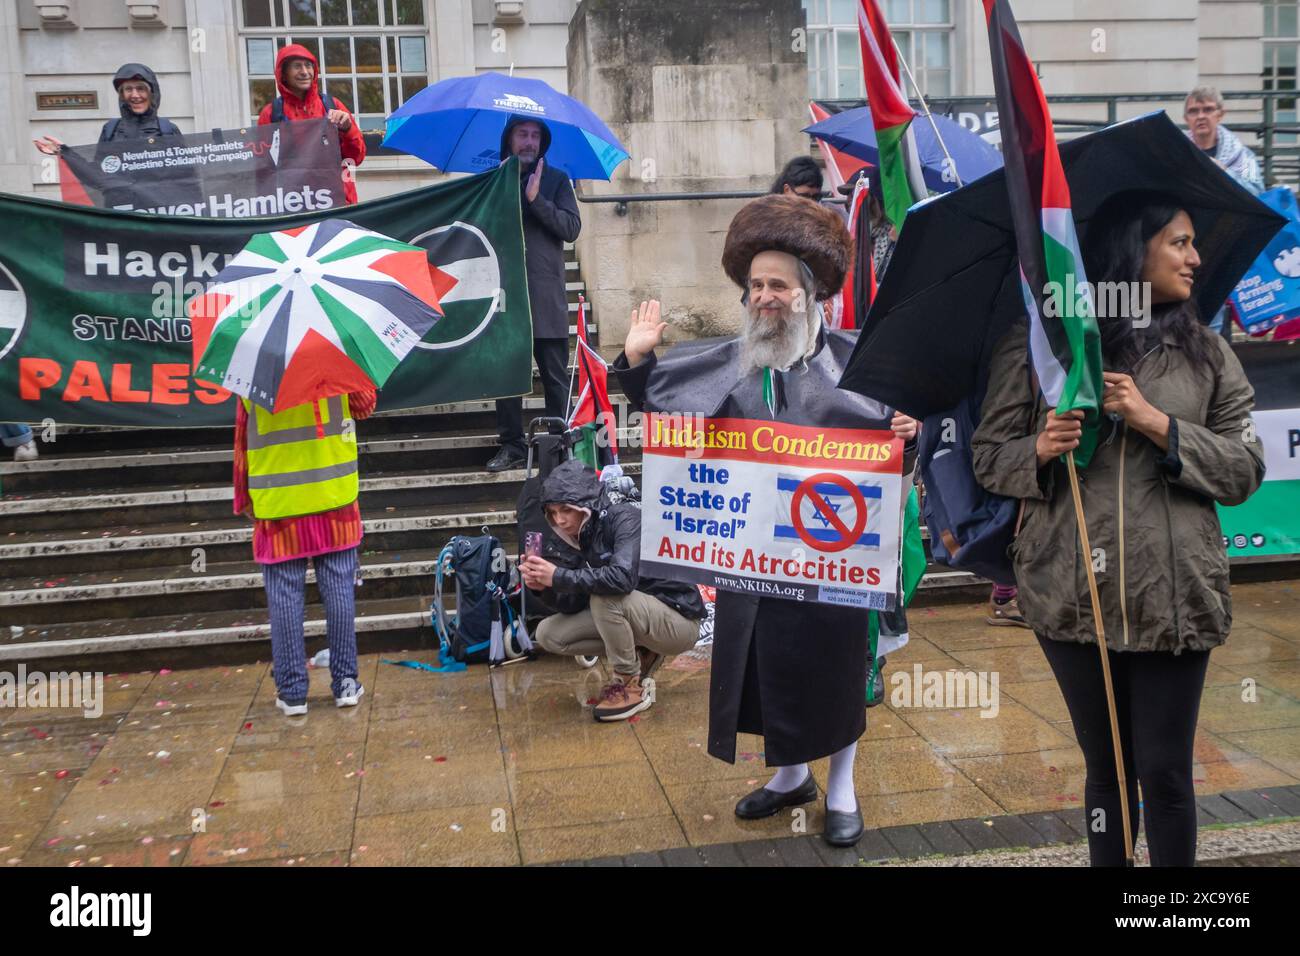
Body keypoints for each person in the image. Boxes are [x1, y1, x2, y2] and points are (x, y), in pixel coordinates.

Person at [971, 192, 1266, 866]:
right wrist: (1041, 448)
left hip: (1176, 596)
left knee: (1164, 772)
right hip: (1072, 596)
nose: (1195, 258)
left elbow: (1246, 469)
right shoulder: (1040, 344)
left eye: (1194, 244)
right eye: (1180, 243)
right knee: (1105, 772)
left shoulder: (1209, 354)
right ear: (1134, 252)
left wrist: (1157, 423)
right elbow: (989, 457)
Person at [613, 194, 917, 846]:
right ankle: (787, 779)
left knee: (834, 677)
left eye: (777, 284)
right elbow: (673, 410)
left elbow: (895, 448)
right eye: (755, 285)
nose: (764, 296)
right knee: (765, 671)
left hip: (833, 564)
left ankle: (841, 788)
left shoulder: (857, 362)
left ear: (808, 293)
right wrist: (639, 363)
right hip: (754, 563)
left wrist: (907, 433)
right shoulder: (731, 362)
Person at [522, 460, 706, 721]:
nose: (560, 520)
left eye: (566, 509)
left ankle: (629, 682)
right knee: (549, 633)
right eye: (552, 512)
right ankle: (642, 652)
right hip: (636, 614)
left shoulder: (625, 517)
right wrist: (545, 587)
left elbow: (621, 579)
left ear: (586, 505)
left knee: (605, 598)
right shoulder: (570, 535)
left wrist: (560, 575)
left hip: (678, 620)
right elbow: (573, 604)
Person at [234, 388, 377, 715]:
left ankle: (292, 692)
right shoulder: (334, 354)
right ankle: (345, 685)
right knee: (340, 589)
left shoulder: (253, 363)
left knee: (284, 596)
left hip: (278, 500)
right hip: (334, 495)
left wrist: (243, 495)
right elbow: (364, 406)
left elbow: (242, 437)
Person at [487, 116, 582, 473]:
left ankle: (558, 446)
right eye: (522, 134)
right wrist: (499, 194)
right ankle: (511, 445)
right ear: (508, 138)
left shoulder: (556, 180)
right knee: (507, 377)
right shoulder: (494, 180)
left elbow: (571, 228)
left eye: (535, 136)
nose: (529, 142)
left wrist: (535, 199)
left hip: (545, 296)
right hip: (506, 294)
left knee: (556, 378)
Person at [257, 45, 366, 205]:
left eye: (308, 66)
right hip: (293, 205)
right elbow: (263, 168)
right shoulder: (271, 113)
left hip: (336, 202)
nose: (305, 72)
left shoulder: (333, 105)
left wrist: (348, 130)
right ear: (283, 74)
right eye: (297, 66)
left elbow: (355, 158)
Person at [1183, 86, 1264, 195]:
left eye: (1208, 110)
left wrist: (1225, 172)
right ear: (1186, 119)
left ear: (1220, 115)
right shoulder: (1177, 152)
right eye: (1193, 111)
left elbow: (1257, 192)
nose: (1200, 116)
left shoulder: (1242, 156)